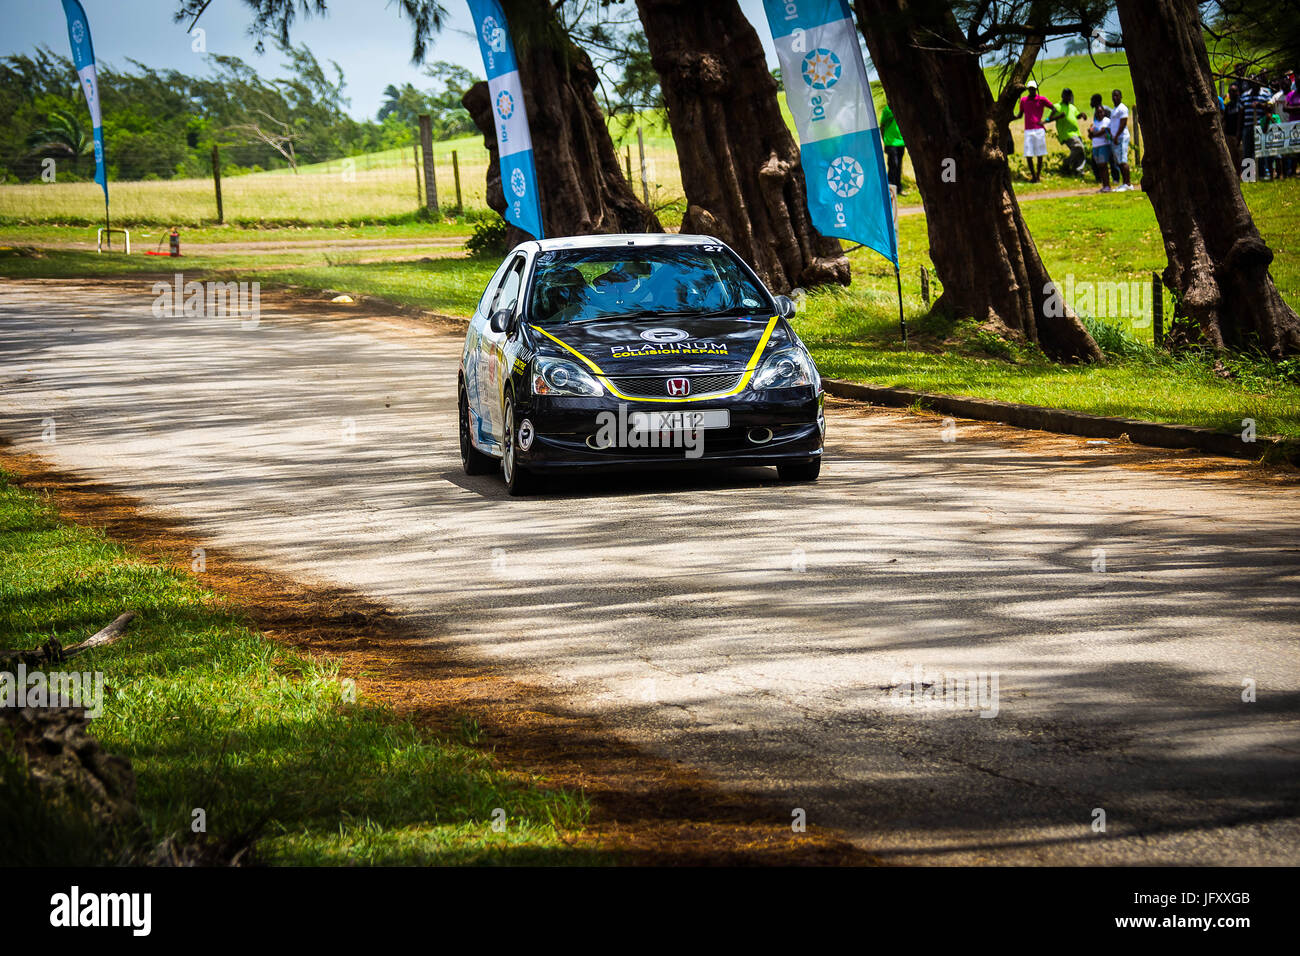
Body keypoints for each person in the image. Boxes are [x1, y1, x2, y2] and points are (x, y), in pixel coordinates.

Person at [1012, 79, 1054, 182]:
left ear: (1036, 89)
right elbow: (1020, 114)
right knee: (1028, 154)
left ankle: (1038, 176)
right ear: (1028, 89)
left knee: (1040, 154)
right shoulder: (1024, 100)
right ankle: (1033, 176)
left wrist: (1046, 121)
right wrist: (1011, 117)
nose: (1032, 91)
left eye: (1033, 89)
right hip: (1028, 130)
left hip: (1039, 130)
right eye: (1030, 89)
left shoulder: (1041, 99)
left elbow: (1054, 109)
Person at [1048, 88, 1088, 175]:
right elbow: (1048, 119)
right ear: (1062, 96)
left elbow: (1076, 116)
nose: (1068, 97)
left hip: (1076, 133)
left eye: (1069, 96)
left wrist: (1081, 115)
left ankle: (1077, 170)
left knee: (1081, 152)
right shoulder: (1057, 106)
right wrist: (1058, 117)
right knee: (1078, 147)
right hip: (1066, 133)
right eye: (1066, 95)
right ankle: (1066, 163)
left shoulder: (1072, 107)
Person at [879, 101, 906, 193]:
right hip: (891, 142)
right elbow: (882, 125)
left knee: (899, 165)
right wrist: (885, 140)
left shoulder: (902, 108)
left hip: (901, 142)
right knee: (893, 164)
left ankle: (899, 188)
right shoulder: (887, 110)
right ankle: (890, 188)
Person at [1087, 93, 1112, 192]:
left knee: (1103, 165)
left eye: (1101, 112)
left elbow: (1103, 131)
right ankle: (1104, 185)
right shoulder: (1096, 122)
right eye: (1098, 113)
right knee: (1099, 166)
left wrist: (1093, 134)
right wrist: (1091, 133)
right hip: (1096, 146)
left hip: (1103, 145)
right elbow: (1091, 133)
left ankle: (1107, 185)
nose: (1099, 114)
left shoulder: (1106, 121)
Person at [1109, 89, 1133, 191]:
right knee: (1119, 161)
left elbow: (1123, 123)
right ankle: (1124, 183)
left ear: (1121, 97)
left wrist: (1116, 136)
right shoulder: (1114, 109)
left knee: (1123, 161)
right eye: (1113, 96)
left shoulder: (1122, 108)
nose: (1115, 98)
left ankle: (1128, 183)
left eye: (1117, 96)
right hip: (1115, 138)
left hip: (1121, 137)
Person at [1223, 82, 1245, 174]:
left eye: (1234, 91)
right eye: (1230, 91)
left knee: (1241, 156)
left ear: (1238, 92)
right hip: (1229, 135)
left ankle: (1245, 174)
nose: (1232, 93)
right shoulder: (1227, 106)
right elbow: (1224, 120)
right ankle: (1236, 174)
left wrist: (1239, 133)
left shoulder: (1241, 104)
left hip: (1240, 135)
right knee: (1232, 156)